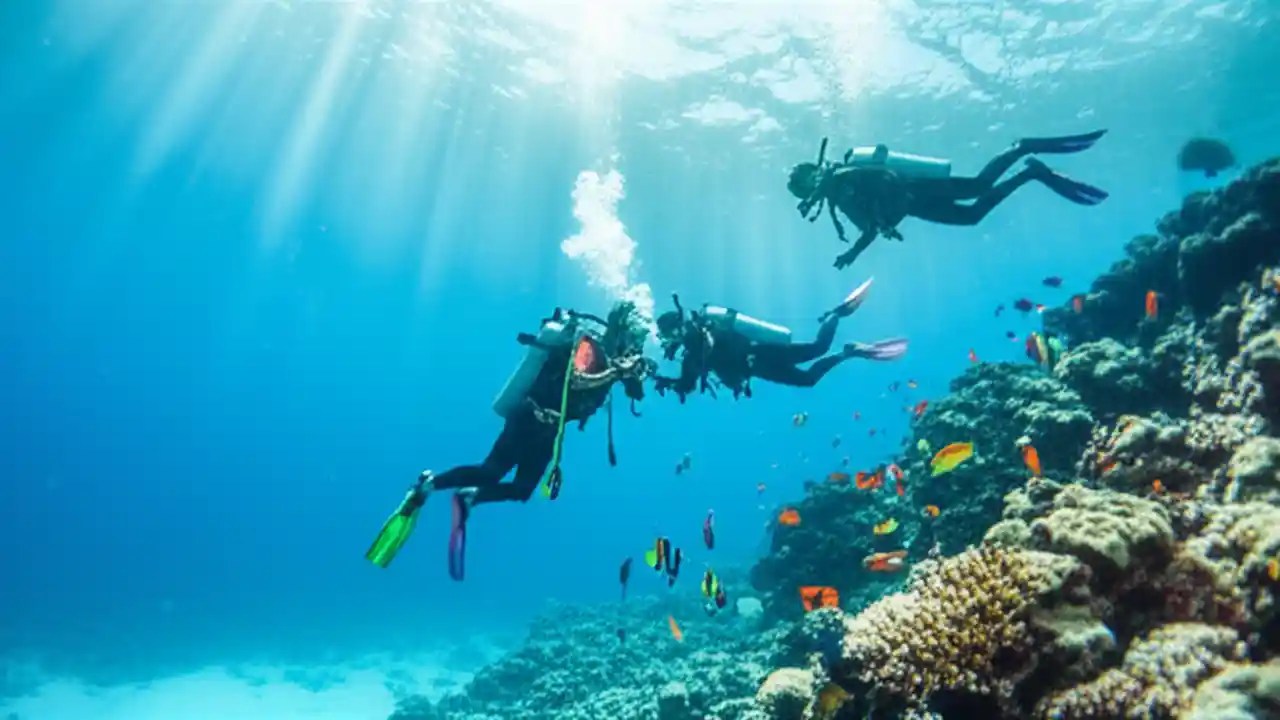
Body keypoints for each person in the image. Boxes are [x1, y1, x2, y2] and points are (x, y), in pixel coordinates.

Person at [365, 301, 654, 570]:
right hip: (528, 418)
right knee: (490, 471)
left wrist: (635, 374)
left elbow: (631, 392)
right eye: (632, 337)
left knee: (522, 490)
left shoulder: (615, 361)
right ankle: (427, 485)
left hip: (549, 432)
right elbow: (577, 379)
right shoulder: (590, 345)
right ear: (620, 330)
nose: (634, 345)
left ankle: (469, 498)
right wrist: (615, 373)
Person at [787, 131, 1110, 269]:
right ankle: (1031, 173)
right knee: (972, 217)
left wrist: (888, 214)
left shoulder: (844, 175)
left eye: (808, 181)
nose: (812, 188)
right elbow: (869, 229)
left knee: (978, 186)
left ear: (815, 171)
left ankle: (1021, 147)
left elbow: (886, 180)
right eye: (806, 189)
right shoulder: (840, 201)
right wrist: (852, 254)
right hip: (915, 206)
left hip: (917, 188)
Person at [652, 279, 906, 402]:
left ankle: (835, 314)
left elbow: (709, 345)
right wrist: (663, 381)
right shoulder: (690, 357)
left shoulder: (703, 329)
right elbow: (687, 385)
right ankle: (848, 352)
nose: (669, 340)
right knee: (808, 379)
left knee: (817, 348)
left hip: (762, 354)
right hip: (758, 367)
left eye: (669, 333)